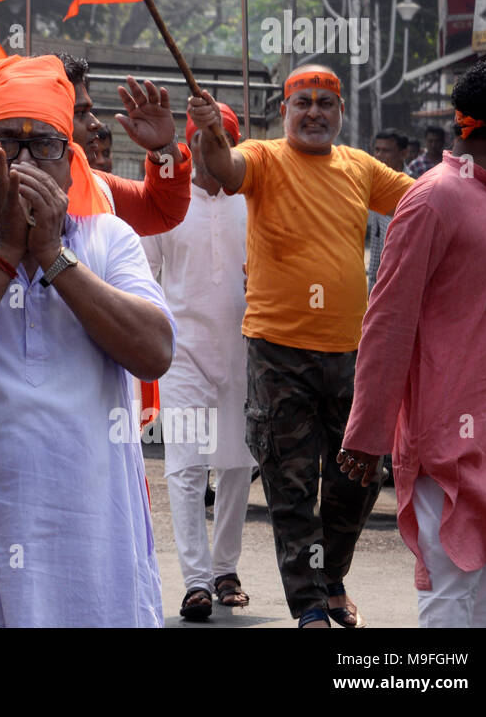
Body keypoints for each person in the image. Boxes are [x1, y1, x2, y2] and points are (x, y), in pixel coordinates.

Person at [0, 55, 174, 627]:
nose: (21, 162)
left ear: (71, 163)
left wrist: (49, 254)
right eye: (1, 145)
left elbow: (154, 352)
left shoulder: (109, 239)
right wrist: (4, 255)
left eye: (43, 145)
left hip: (93, 548)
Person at [187, 63, 414, 628]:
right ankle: (310, 603)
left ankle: (331, 576)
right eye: (303, 103)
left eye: (325, 103)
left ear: (340, 113)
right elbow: (223, 167)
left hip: (351, 353)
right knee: (290, 487)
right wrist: (211, 133)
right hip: (277, 351)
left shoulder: (360, 167)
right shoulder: (264, 158)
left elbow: (421, 203)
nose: (315, 112)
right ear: (283, 112)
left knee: (357, 477)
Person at [339, 55, 486, 627]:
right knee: (449, 598)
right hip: (449, 445)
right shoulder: (433, 197)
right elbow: (388, 322)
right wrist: (367, 438)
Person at [142, 102, 255, 621]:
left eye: (222, 138)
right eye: (204, 139)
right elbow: (144, 277)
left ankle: (225, 566)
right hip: (183, 352)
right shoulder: (167, 199)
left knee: (238, 463)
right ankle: (195, 581)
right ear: (190, 143)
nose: (212, 148)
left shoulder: (253, 199)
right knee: (186, 465)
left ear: (231, 144)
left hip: (246, 348)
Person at [367, 128, 408, 290]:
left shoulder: (418, 184)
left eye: (386, 151)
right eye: (377, 150)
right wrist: (371, 288)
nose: (379, 156)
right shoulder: (378, 190)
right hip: (387, 282)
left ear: (403, 153)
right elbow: (376, 245)